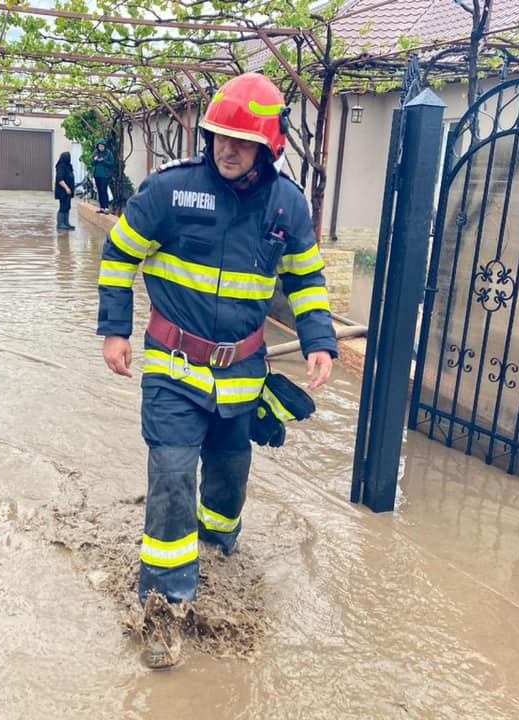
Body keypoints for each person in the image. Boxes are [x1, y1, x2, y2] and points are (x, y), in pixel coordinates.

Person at [96, 72, 337, 668]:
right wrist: (113, 331)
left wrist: (320, 342)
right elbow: (119, 254)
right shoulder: (170, 192)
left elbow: (305, 279)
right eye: (218, 136)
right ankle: (165, 605)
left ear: (269, 146)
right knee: (173, 475)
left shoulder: (287, 206)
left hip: (243, 377)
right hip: (174, 373)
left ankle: (220, 547)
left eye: (240, 140)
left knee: (228, 480)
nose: (226, 149)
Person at [90, 138, 115, 214]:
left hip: (105, 175)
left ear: (104, 146)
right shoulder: (96, 152)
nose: (100, 148)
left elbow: (112, 163)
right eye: (99, 146)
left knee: (104, 190)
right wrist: (95, 160)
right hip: (97, 175)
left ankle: (106, 207)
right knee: (99, 191)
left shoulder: (108, 153)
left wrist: (103, 161)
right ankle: (101, 207)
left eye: (102, 146)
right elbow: (92, 163)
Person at [54, 151, 77, 230]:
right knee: (63, 207)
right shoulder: (61, 166)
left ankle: (66, 223)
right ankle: (60, 223)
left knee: (67, 206)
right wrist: (66, 188)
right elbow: (60, 179)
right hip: (63, 191)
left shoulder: (68, 166)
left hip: (68, 191)